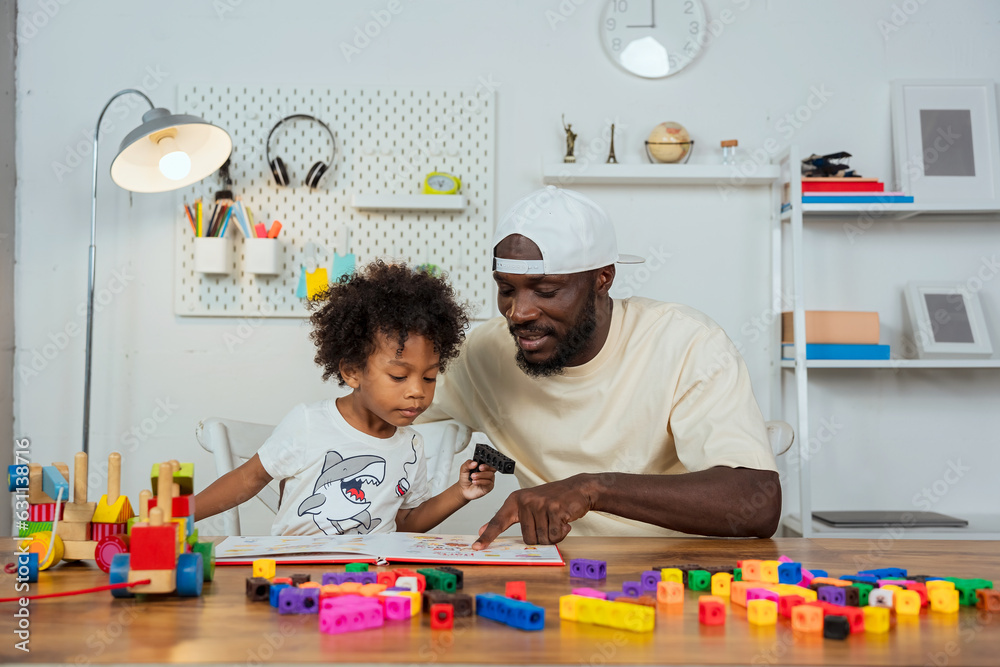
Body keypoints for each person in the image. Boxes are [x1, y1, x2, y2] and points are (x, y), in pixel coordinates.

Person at [417, 186, 781, 548]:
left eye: (545, 290)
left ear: (602, 278)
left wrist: (591, 489)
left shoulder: (685, 341)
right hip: (556, 569)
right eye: (506, 289)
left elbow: (758, 501)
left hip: (676, 569)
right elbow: (385, 405)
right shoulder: (485, 352)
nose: (519, 312)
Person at [194, 261, 496, 536]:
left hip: (371, 579)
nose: (418, 390)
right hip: (299, 573)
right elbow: (249, 479)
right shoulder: (309, 423)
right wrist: (179, 513)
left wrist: (460, 491)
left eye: (429, 377)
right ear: (353, 372)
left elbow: (405, 524)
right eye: (399, 376)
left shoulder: (411, 446)